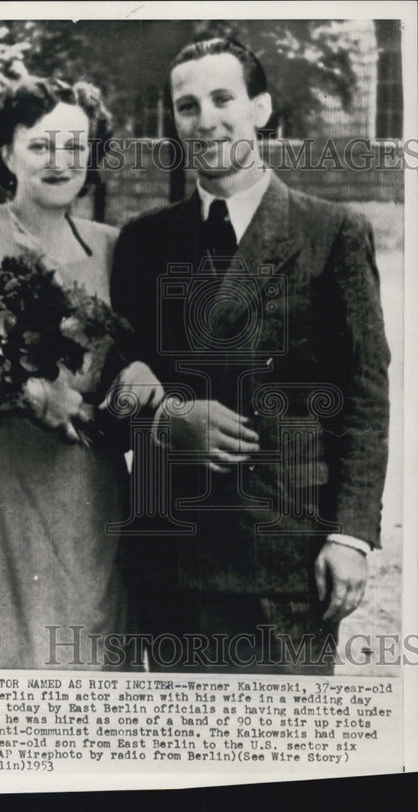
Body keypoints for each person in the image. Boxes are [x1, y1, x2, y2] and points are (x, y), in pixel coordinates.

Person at [111, 38, 390, 673]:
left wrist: (349, 536)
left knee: (280, 758)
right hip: (170, 556)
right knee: (186, 760)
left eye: (222, 98)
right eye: (187, 106)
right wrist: (162, 418)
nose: (206, 119)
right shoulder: (143, 243)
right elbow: (112, 382)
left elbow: (366, 397)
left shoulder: (332, 234)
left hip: (285, 556)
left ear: (260, 109)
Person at [0, 77, 162, 669]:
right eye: (40, 146)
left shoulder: (117, 247)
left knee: (88, 648)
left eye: (74, 147)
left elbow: (137, 361)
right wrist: (34, 391)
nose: (60, 163)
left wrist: (140, 375)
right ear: (7, 154)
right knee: (3, 654)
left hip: (88, 487)